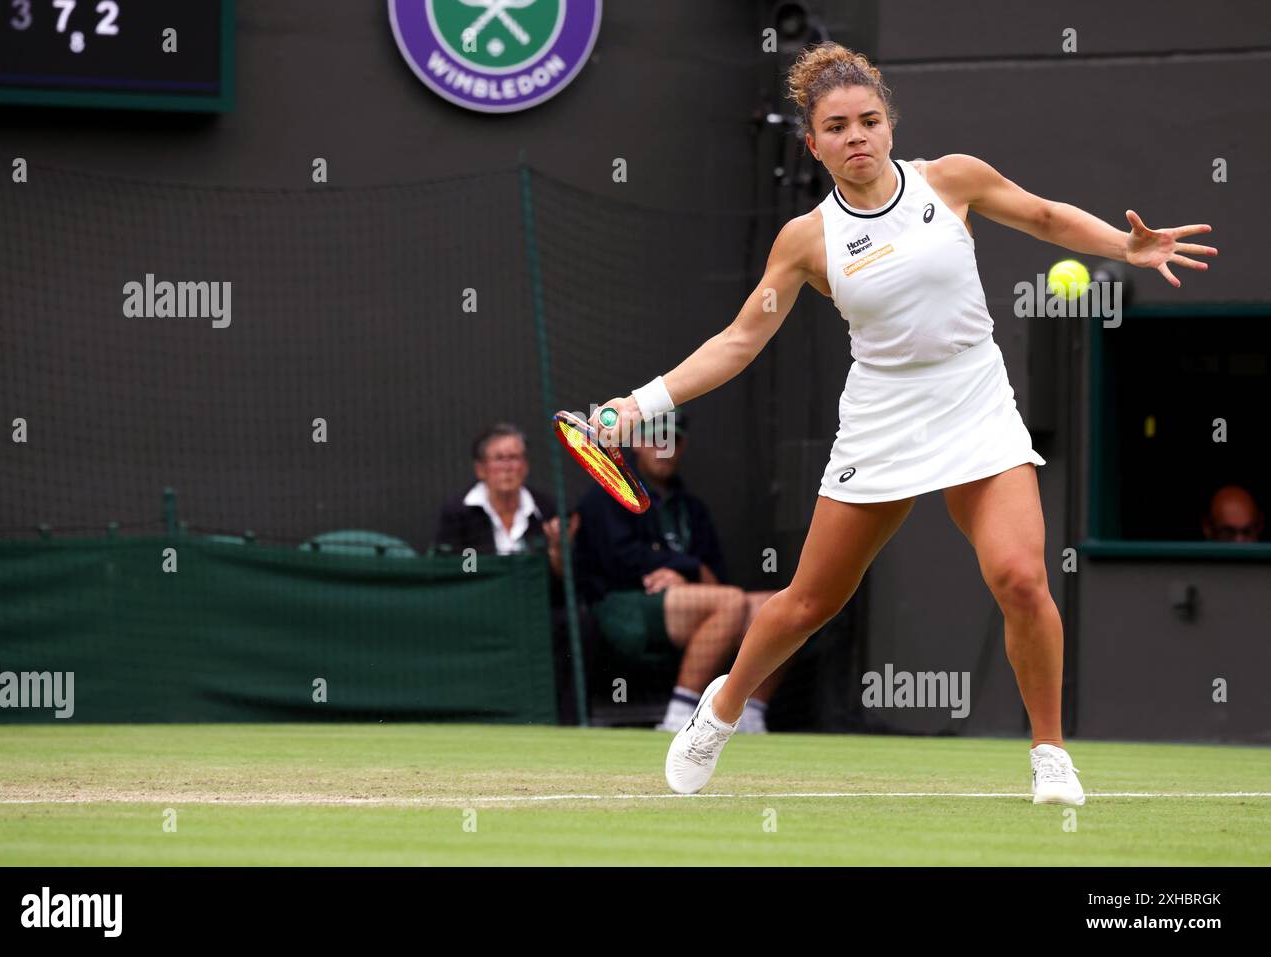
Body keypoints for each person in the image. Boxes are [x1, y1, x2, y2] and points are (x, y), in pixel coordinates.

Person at [588, 42, 1218, 804]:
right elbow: (740, 340)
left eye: (869, 120)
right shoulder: (806, 240)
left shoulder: (953, 180)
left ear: (889, 125)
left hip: (975, 402)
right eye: (837, 126)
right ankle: (719, 712)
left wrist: (1125, 245)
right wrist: (643, 401)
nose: (857, 135)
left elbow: (1046, 217)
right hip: (882, 420)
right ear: (812, 142)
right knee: (810, 603)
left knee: (1020, 576)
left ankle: (1049, 753)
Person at [573, 407, 787, 733]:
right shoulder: (605, 496)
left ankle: (752, 714)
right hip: (623, 606)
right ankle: (679, 716)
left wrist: (684, 576)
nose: (664, 447)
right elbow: (619, 562)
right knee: (729, 601)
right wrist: (686, 570)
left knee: (780, 608)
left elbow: (715, 576)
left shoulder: (693, 508)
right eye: (654, 438)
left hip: (695, 607)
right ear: (635, 444)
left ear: (682, 447)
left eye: (672, 440)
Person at [435, 423, 587, 724]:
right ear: (481, 469)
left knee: (579, 623)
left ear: (526, 466)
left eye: (515, 458)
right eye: (499, 458)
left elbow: (565, 586)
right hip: (478, 613)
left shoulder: (549, 509)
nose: (508, 466)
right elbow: (448, 575)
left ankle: (570, 723)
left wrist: (557, 550)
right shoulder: (457, 512)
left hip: (537, 615)